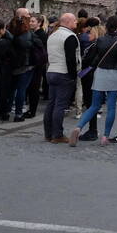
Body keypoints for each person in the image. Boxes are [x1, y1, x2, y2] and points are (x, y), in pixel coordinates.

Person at [70, 16, 117, 146]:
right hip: (115, 74)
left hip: (100, 73)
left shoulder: (100, 40)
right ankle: (105, 136)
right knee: (111, 106)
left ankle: (79, 127)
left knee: (94, 106)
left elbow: (95, 58)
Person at [42, 13, 81, 143]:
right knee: (60, 105)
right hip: (63, 73)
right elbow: (70, 59)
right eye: (74, 20)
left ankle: (48, 133)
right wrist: (73, 76)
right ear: (68, 22)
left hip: (51, 70)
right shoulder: (70, 36)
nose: (76, 22)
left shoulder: (52, 35)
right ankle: (57, 134)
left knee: (51, 104)